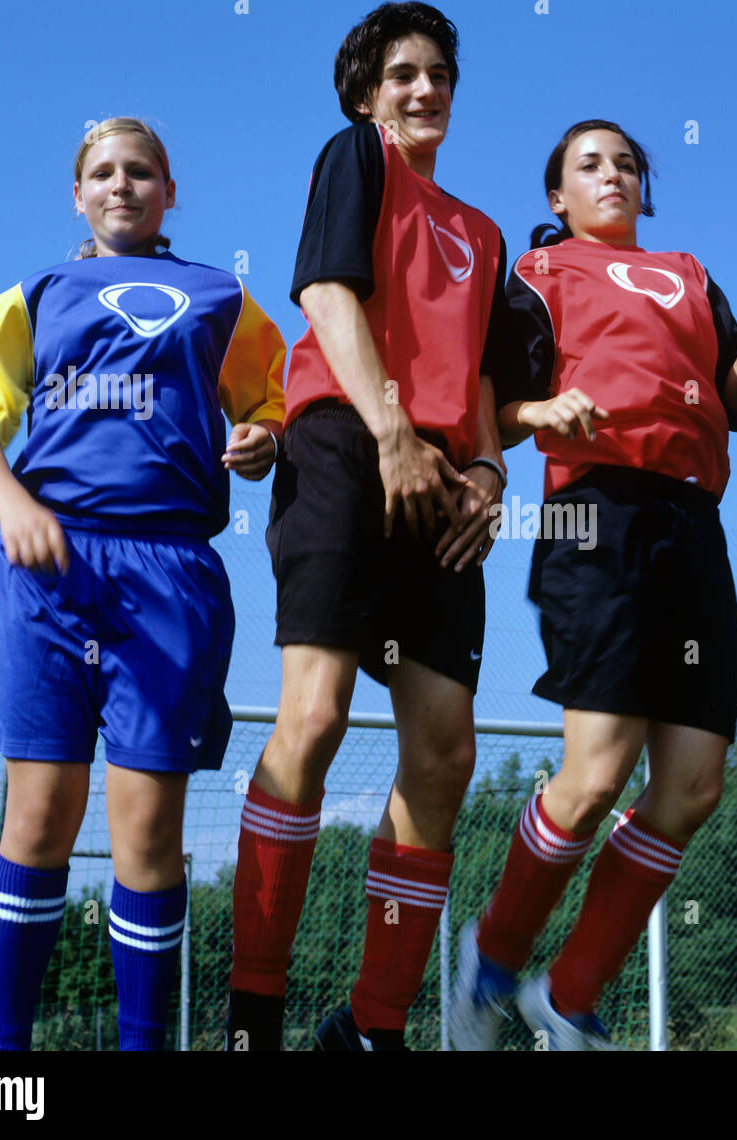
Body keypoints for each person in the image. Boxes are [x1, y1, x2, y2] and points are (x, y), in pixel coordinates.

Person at [0, 116, 286, 1051]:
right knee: (38, 815)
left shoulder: (224, 300)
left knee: (147, 834)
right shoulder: (34, 297)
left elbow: (279, 402)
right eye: (103, 174)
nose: (122, 186)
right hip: (50, 567)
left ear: (171, 190)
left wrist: (263, 440)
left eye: (142, 172)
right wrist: (13, 509)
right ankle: (2, 1060)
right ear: (76, 195)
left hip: (170, 575)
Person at [448, 119, 737, 1050]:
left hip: (691, 521)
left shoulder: (691, 275)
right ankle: (486, 959)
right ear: (558, 199)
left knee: (690, 787)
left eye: (627, 163)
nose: (613, 174)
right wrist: (539, 409)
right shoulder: (540, 275)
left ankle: (565, 1000)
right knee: (598, 769)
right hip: (592, 513)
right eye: (589, 165)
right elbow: (486, 402)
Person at [225, 2, 515, 1052]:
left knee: (444, 752)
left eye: (438, 73)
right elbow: (324, 292)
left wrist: (485, 469)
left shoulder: (484, 234)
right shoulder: (355, 159)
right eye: (401, 74)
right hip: (348, 444)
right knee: (315, 716)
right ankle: (253, 1013)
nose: (423, 88)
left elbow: (484, 376)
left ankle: (371, 1028)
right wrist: (391, 427)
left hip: (437, 473)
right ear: (365, 94)